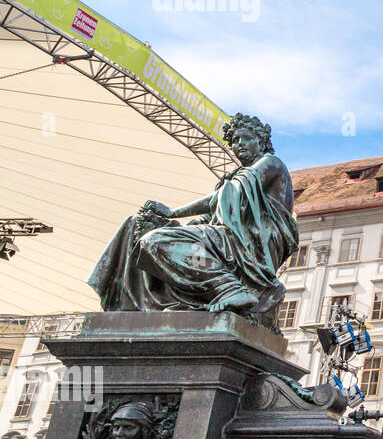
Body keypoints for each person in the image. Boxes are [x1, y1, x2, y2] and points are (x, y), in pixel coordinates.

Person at [87, 113, 299, 327]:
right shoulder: (238, 178)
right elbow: (212, 215)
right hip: (229, 238)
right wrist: (177, 227)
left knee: (155, 241)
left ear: (260, 141)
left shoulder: (270, 163)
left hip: (252, 244)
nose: (239, 144)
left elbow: (224, 196)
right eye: (235, 140)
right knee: (136, 227)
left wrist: (173, 213)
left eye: (246, 138)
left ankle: (229, 288)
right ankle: (134, 303)